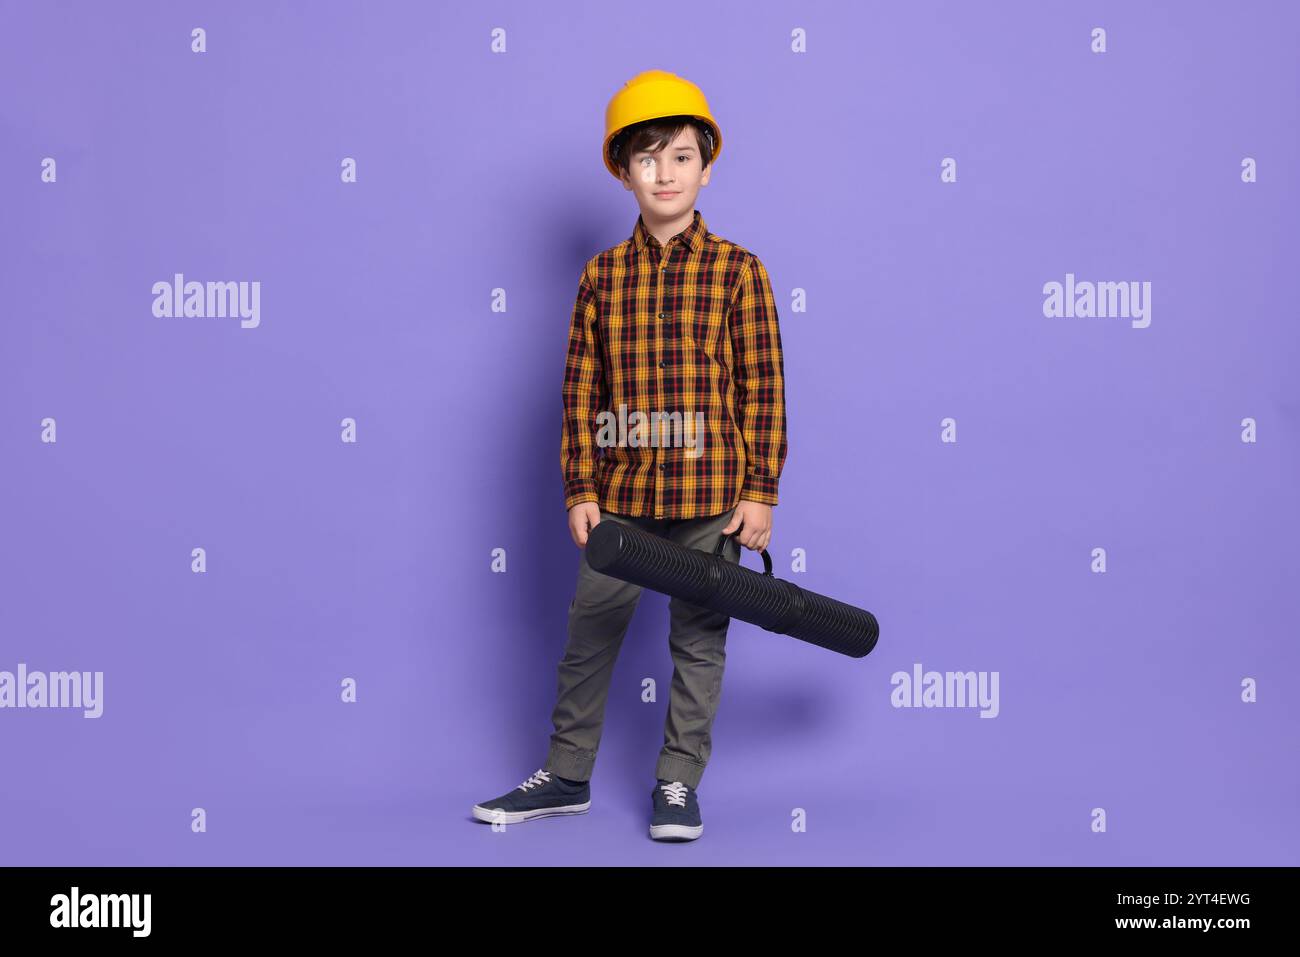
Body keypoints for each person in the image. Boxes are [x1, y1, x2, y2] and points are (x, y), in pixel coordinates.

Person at [472, 70, 788, 842]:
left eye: (681, 156)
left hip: (714, 493)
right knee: (590, 634)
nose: (666, 173)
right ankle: (568, 773)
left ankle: (677, 782)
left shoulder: (739, 271)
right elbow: (580, 391)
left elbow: (763, 385)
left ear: (707, 166)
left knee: (698, 642)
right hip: (622, 497)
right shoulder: (601, 278)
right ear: (623, 171)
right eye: (648, 159)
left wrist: (761, 492)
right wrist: (582, 487)